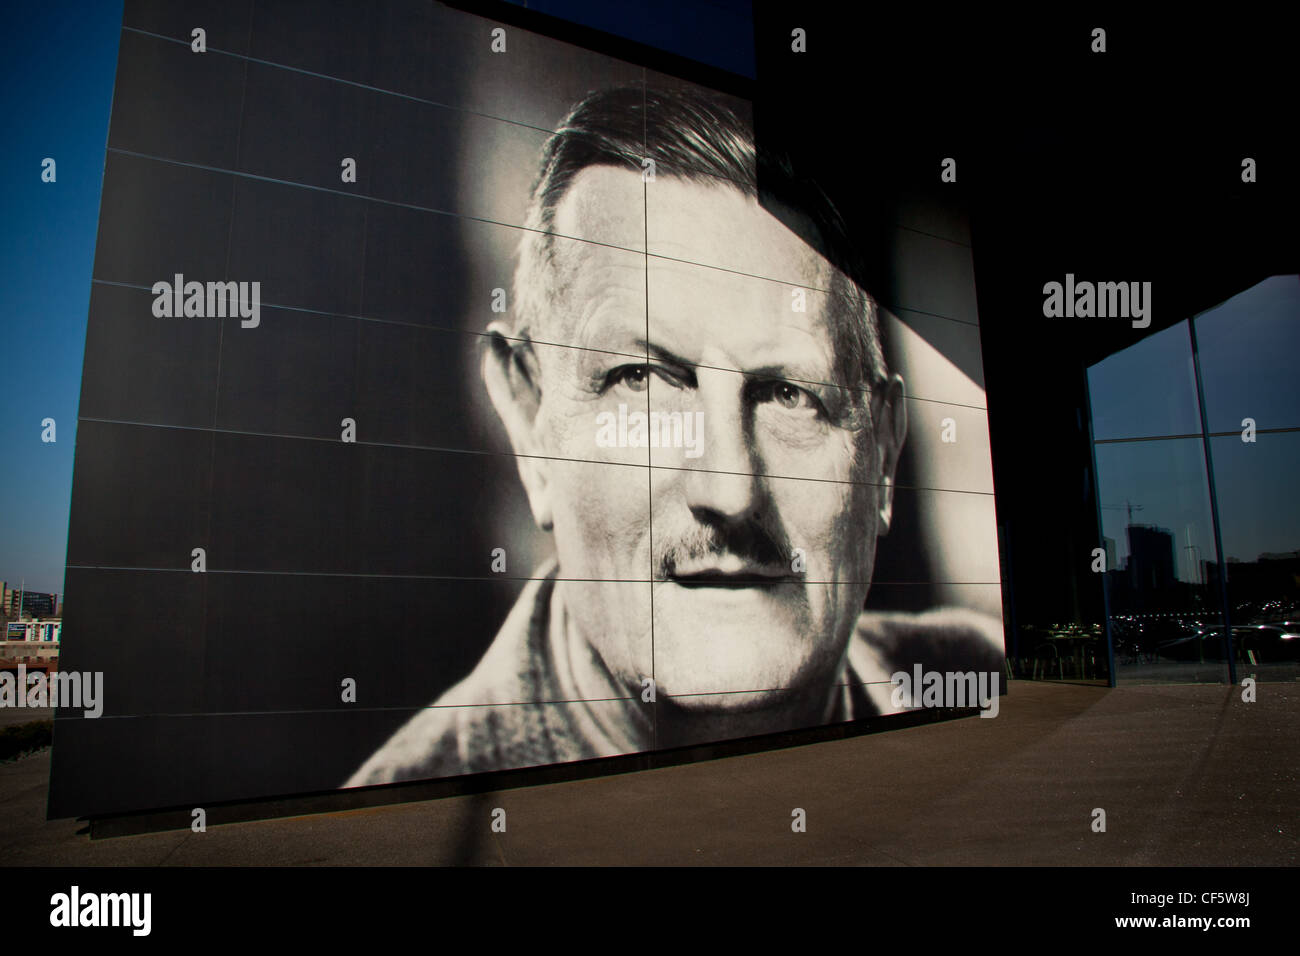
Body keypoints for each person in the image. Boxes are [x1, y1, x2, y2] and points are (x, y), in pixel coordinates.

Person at [345, 86, 1003, 788]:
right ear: (529, 421)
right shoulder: (401, 827)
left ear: (882, 454)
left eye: (789, 395)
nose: (728, 488)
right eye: (643, 380)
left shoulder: (982, 687)